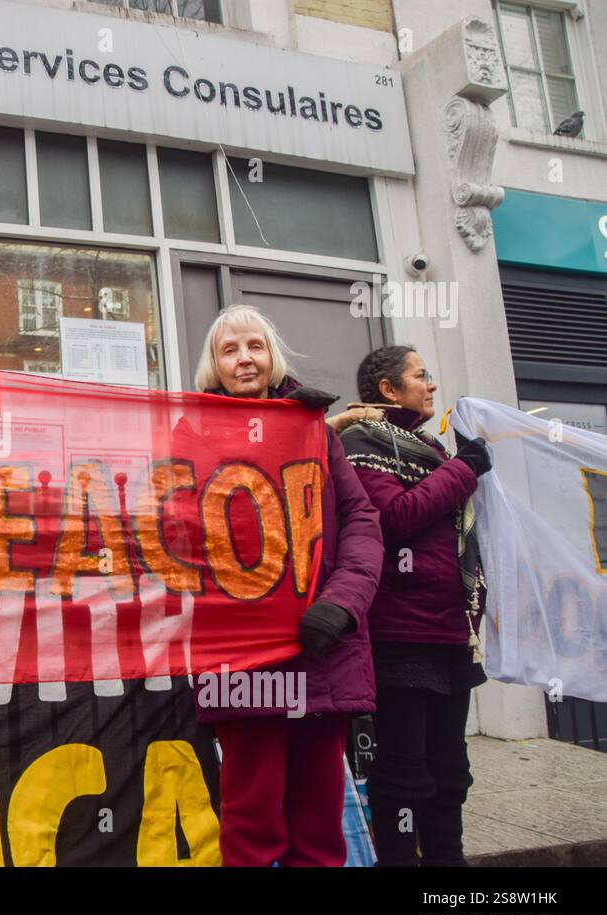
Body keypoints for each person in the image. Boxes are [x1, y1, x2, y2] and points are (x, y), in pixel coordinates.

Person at [192, 305, 383, 866]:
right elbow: (175, 531)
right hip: (240, 660)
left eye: (254, 345)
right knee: (251, 824)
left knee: (319, 828)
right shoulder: (191, 434)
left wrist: (341, 606)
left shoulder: (315, 434)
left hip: (322, 652)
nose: (244, 358)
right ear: (214, 366)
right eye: (229, 349)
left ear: (272, 356)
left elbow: (364, 526)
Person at [334, 345, 489, 866]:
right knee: (404, 780)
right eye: (421, 375)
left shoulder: (430, 449)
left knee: (450, 774)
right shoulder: (360, 441)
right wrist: (466, 469)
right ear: (388, 390)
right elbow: (395, 518)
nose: (432, 385)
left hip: (449, 636)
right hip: (399, 641)